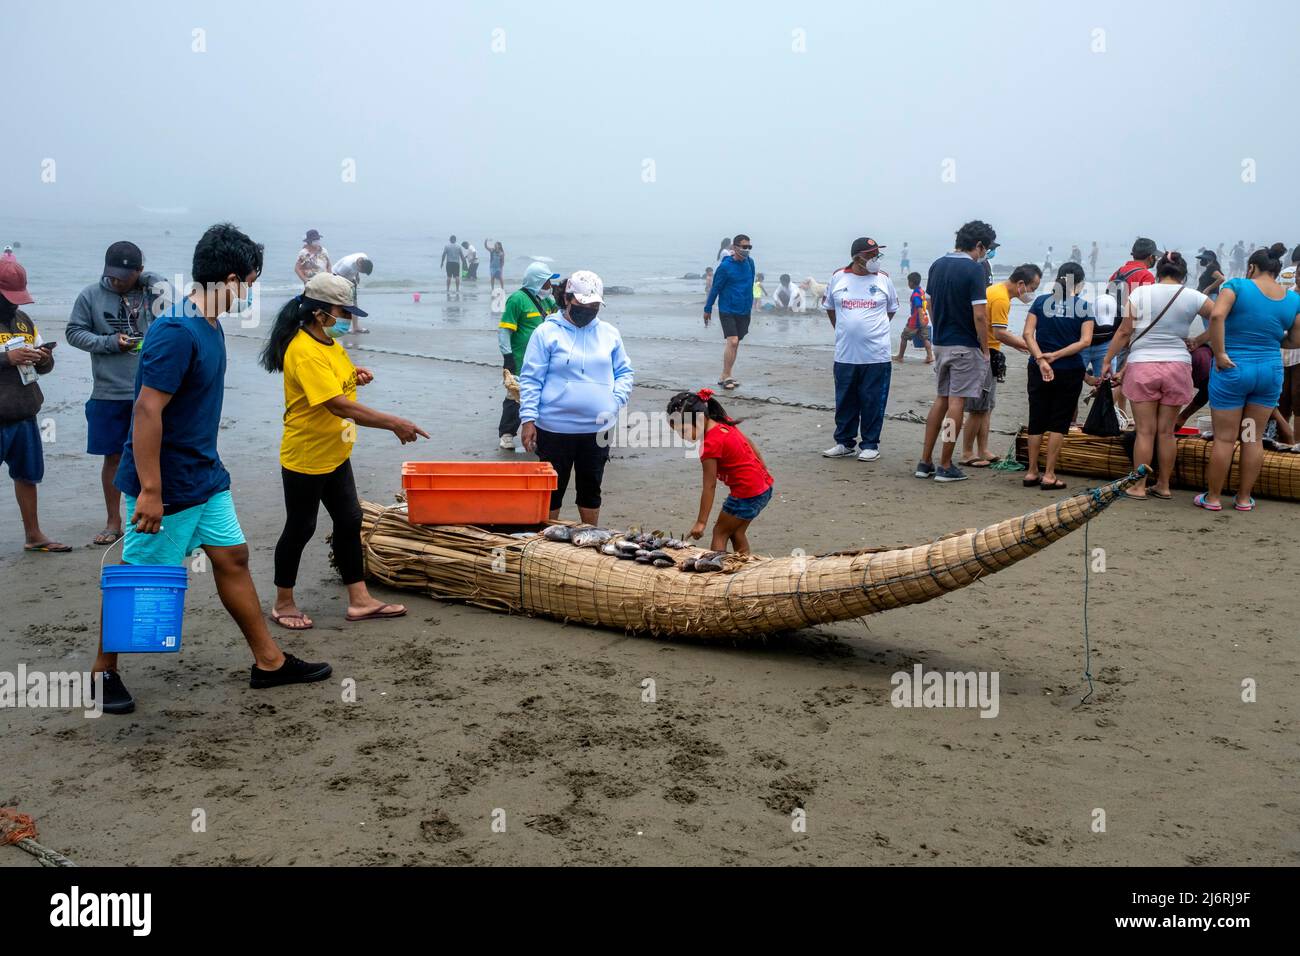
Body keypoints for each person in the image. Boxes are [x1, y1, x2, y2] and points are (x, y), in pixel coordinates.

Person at [91, 223, 332, 716]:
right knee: (142, 578)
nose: (253, 290)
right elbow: (146, 411)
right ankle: (102, 675)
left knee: (233, 558)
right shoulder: (177, 331)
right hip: (169, 483)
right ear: (230, 278)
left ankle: (269, 662)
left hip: (205, 476)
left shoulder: (210, 324)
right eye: (251, 280)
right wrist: (152, 491)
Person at [258, 273, 428, 630]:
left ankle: (360, 600)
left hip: (334, 452)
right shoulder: (303, 351)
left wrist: (355, 374)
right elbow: (339, 406)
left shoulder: (328, 343)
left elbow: (337, 380)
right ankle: (283, 603)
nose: (347, 319)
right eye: (343, 312)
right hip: (307, 456)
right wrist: (394, 422)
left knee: (349, 520)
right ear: (320, 313)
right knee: (301, 527)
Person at [66, 241, 171, 545]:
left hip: (153, 389)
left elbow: (177, 313)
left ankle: (157, 513)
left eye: (125, 275)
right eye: (111, 274)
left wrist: (156, 281)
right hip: (109, 391)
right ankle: (114, 521)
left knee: (156, 454)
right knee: (113, 457)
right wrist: (109, 342)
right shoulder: (90, 295)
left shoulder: (153, 292)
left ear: (139, 270)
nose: (116, 280)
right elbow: (74, 332)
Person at [519, 270, 634, 525]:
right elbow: (530, 378)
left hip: (598, 428)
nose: (589, 310)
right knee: (552, 491)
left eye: (594, 305)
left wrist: (615, 401)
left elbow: (625, 372)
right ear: (567, 299)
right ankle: (547, 542)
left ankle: (589, 538)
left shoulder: (609, 333)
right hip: (553, 428)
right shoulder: (546, 333)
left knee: (591, 489)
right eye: (583, 304)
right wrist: (528, 419)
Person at [1194, 249, 1300, 511]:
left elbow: (1217, 316)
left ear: (1251, 267)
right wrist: (1274, 341)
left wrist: (1219, 353)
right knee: (1251, 437)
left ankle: (1214, 498)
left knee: (1225, 438)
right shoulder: (1292, 299)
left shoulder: (1236, 286)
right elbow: (1296, 339)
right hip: (1268, 372)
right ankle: (1243, 499)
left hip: (1233, 370)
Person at [1101, 252, 1213, 500]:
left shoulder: (1141, 293)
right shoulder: (1194, 296)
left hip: (1143, 366)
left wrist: (1107, 360)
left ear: (1158, 272)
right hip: (1177, 366)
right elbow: (1220, 318)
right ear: (1183, 273)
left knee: (1144, 432)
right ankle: (1163, 485)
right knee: (1166, 433)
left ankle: (1139, 486)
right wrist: (1199, 340)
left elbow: (1124, 332)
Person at [915, 221, 997, 483]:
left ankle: (925, 461)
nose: (986, 253)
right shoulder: (974, 269)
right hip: (965, 345)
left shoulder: (937, 264)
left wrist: (939, 328)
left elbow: (930, 302)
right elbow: (980, 316)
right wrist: (985, 348)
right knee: (957, 403)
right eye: (987, 248)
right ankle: (946, 464)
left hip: (941, 343)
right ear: (980, 245)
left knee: (941, 398)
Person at [0, 259, 67, 552]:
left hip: (24, 412)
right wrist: (6, 359)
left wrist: (44, 359)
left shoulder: (23, 319)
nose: (13, 305)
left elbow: (44, 368)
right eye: (8, 298)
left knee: (28, 475)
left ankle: (34, 534)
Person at [667, 388, 773, 554]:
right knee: (736, 531)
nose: (683, 436)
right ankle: (744, 568)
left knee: (720, 532)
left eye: (684, 430)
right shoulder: (723, 421)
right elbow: (749, 442)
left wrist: (701, 522)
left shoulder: (709, 445)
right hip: (763, 486)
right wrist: (763, 469)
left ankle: (716, 570)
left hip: (747, 493)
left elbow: (709, 486)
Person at [820, 238, 897, 462]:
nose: (876, 259)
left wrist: (872, 330)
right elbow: (830, 308)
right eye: (871, 255)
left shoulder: (884, 280)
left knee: (873, 399)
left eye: (877, 255)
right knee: (845, 400)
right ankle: (844, 443)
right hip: (845, 353)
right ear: (857, 258)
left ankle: (871, 444)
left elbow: (891, 309)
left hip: (877, 354)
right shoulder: (838, 277)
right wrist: (845, 330)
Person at [1022, 263, 1094, 491]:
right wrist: (1056, 356)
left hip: (1037, 367)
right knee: (1059, 421)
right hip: (1069, 368)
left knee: (1037, 418)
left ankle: (1032, 471)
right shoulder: (1083, 306)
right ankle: (1050, 474)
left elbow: (1027, 334)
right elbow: (1085, 341)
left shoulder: (1041, 301)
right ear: (1080, 283)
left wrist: (1041, 359)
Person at [959, 264, 1040, 467]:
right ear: (1021, 283)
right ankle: (967, 453)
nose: (1032, 293)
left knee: (987, 406)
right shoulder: (1001, 298)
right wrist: (1030, 347)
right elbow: (999, 332)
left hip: (989, 351)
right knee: (978, 408)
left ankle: (983, 450)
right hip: (982, 352)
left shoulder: (996, 291)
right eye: (1033, 287)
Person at [498, 262, 560, 450]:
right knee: (515, 395)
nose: (550, 286)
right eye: (548, 283)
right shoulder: (517, 300)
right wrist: (507, 356)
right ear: (538, 282)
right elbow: (504, 331)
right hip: (520, 358)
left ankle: (537, 433)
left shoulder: (548, 301)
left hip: (544, 359)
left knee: (540, 395)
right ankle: (507, 434)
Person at [703, 234, 756, 391]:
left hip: (744, 308)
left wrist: (750, 302)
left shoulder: (750, 263)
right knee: (732, 341)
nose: (746, 250)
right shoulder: (725, 267)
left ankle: (726, 374)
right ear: (734, 247)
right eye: (743, 247)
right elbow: (716, 288)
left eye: (749, 247)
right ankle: (726, 376)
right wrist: (708, 308)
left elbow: (750, 282)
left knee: (736, 342)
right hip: (728, 308)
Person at [894, 271, 934, 364]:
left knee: (904, 337)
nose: (908, 284)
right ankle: (930, 356)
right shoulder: (921, 291)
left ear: (911, 282)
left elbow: (919, 307)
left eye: (908, 282)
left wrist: (920, 320)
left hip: (915, 321)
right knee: (925, 338)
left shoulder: (915, 295)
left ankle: (900, 356)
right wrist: (923, 320)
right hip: (924, 319)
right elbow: (925, 305)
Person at [329, 252, 373, 334]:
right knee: (345, 304)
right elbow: (337, 276)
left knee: (354, 303)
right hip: (337, 277)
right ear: (359, 265)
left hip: (350, 278)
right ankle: (342, 327)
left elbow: (357, 270)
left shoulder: (364, 257)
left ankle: (355, 327)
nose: (361, 272)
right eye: (362, 271)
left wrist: (357, 275)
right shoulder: (346, 265)